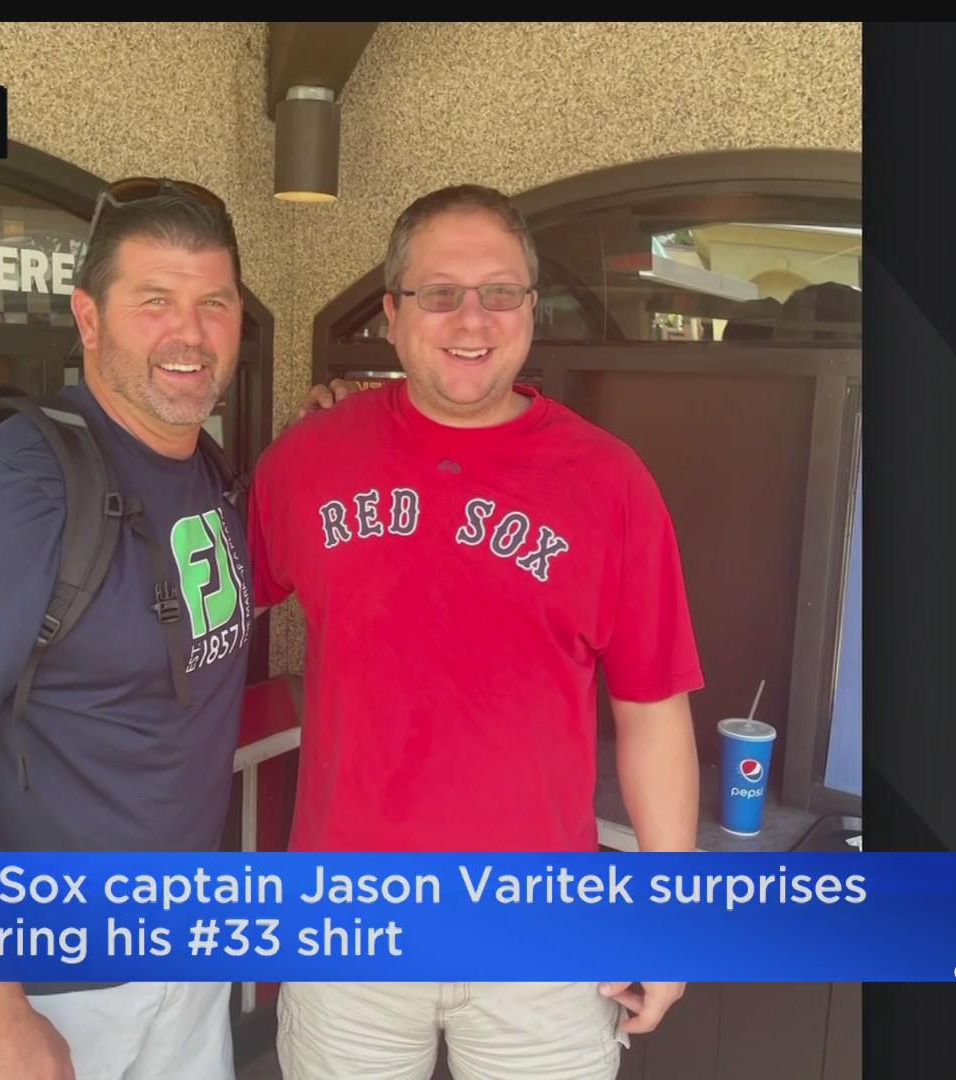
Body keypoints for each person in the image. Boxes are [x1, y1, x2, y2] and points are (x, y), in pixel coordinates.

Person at [248, 184, 705, 1080]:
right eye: (439, 292)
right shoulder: (307, 462)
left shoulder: (609, 483)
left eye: (500, 292)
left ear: (531, 310)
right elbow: (209, 627)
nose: (472, 318)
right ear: (391, 314)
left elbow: (654, 710)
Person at [0, 177, 254, 1080]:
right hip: (42, 987)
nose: (190, 334)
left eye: (214, 303)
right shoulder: (14, 490)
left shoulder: (205, 471)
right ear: (89, 318)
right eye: (154, 301)